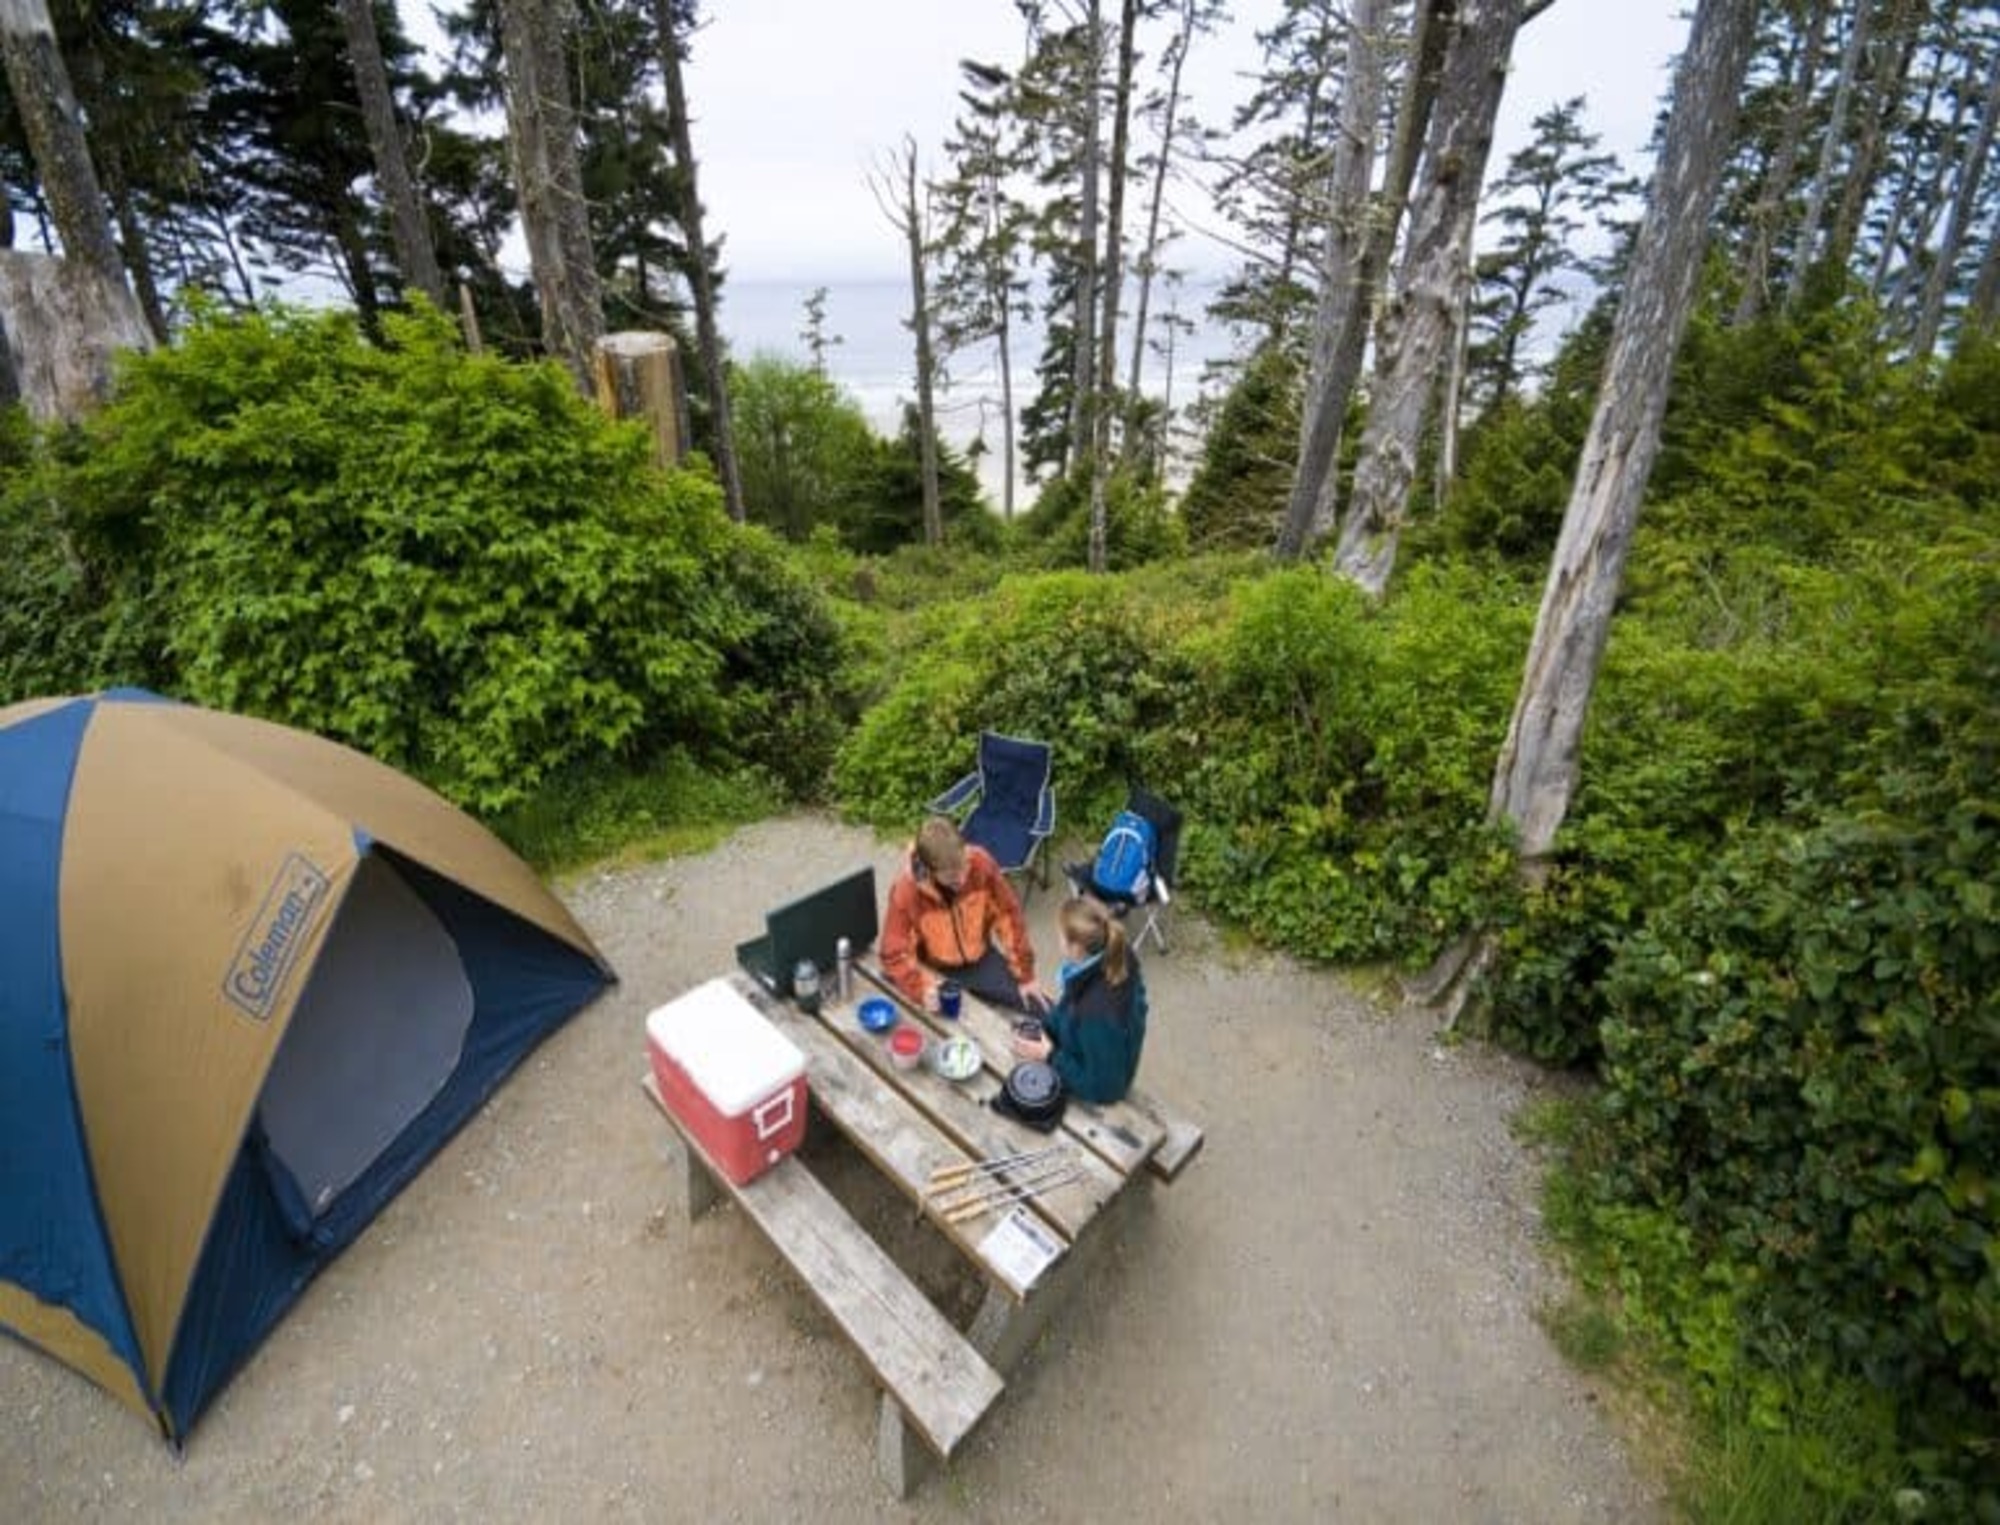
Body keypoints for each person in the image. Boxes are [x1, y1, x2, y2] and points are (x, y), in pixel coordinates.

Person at [881, 815, 1045, 1013]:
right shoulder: (906, 890)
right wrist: (921, 990)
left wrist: (1026, 977)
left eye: (964, 865)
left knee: (1041, 1007)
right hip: (935, 970)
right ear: (929, 870)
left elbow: (1009, 917)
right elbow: (893, 954)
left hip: (980, 963)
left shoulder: (981, 862)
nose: (963, 877)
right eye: (952, 876)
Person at [1012, 895, 1147, 1104]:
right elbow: (1070, 1003)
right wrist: (1046, 1028)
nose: (1056, 939)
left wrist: (1050, 1055)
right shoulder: (1111, 954)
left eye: (1060, 935)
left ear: (1075, 947)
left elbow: (1106, 1090)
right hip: (1091, 1047)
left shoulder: (1097, 1012)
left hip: (1098, 1084)